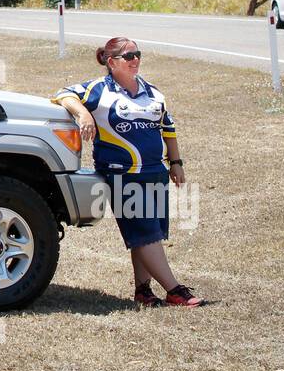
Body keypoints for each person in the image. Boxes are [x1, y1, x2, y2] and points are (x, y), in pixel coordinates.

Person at [51, 36, 207, 308]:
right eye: (129, 56)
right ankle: (174, 290)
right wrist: (84, 115)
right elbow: (64, 94)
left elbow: (168, 129)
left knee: (148, 235)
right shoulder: (100, 89)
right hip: (122, 175)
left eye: (138, 54)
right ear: (112, 62)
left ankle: (143, 291)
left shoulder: (153, 92)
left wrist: (176, 163)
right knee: (146, 233)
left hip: (155, 172)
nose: (136, 60)